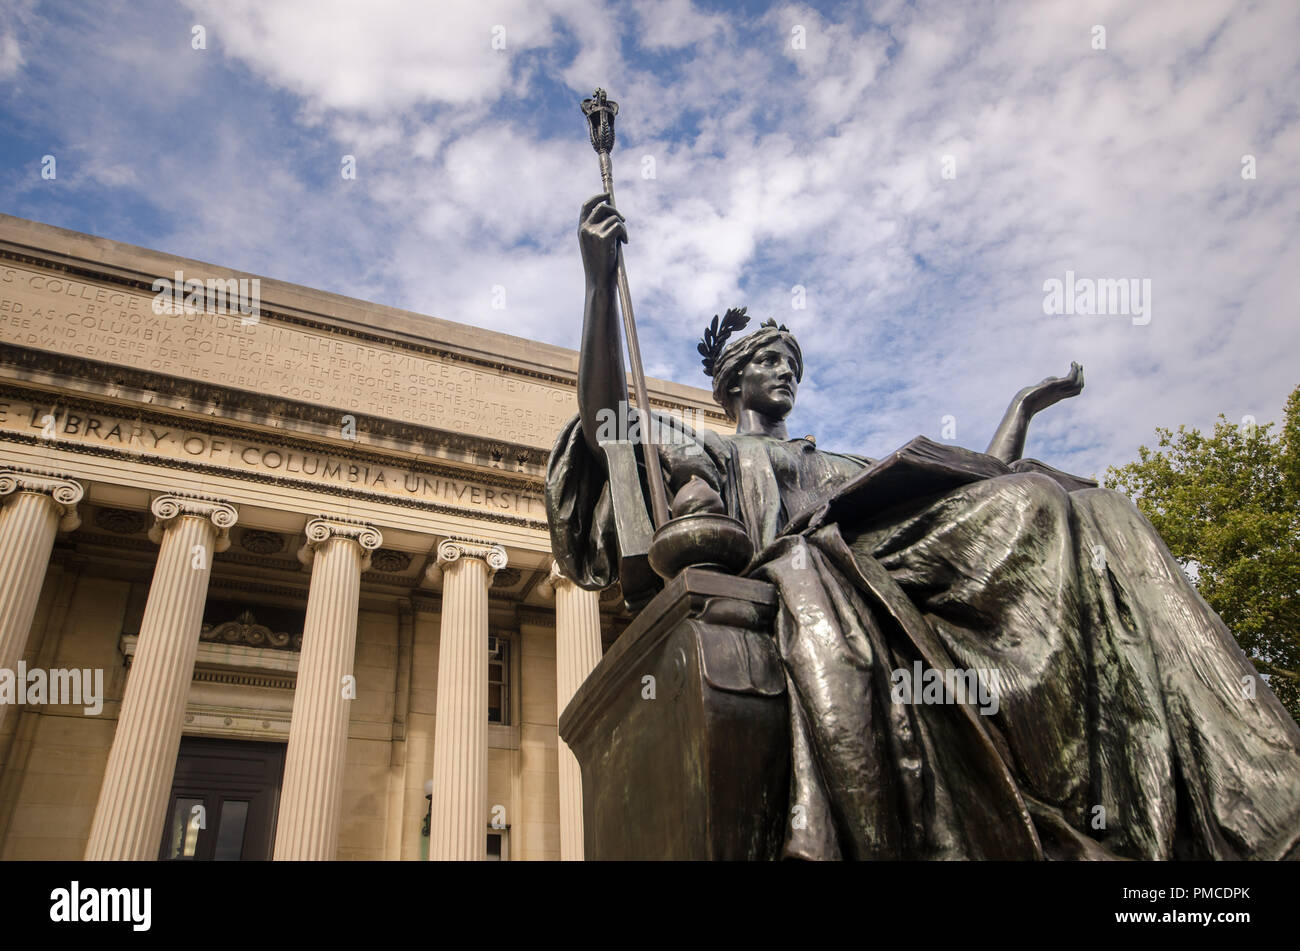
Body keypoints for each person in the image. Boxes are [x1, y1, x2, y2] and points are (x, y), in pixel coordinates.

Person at [547, 194, 1300, 860]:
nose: (785, 373)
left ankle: (1235, 796)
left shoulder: (838, 457)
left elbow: (968, 479)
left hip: (898, 558)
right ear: (734, 379)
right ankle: (1049, 782)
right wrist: (598, 284)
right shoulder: (705, 445)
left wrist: (1024, 409)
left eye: (793, 365)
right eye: (770, 360)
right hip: (826, 566)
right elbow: (606, 415)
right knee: (1031, 504)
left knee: (1093, 507)